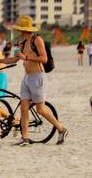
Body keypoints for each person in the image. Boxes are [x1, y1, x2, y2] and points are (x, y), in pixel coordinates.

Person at [10, 16, 68, 145]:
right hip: (27, 77)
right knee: (23, 108)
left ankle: (61, 129)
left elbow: (44, 59)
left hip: (37, 77)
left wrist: (25, 56)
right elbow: (14, 59)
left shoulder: (37, 40)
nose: (19, 32)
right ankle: (25, 138)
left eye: (20, 29)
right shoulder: (22, 42)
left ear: (25, 30)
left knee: (40, 109)